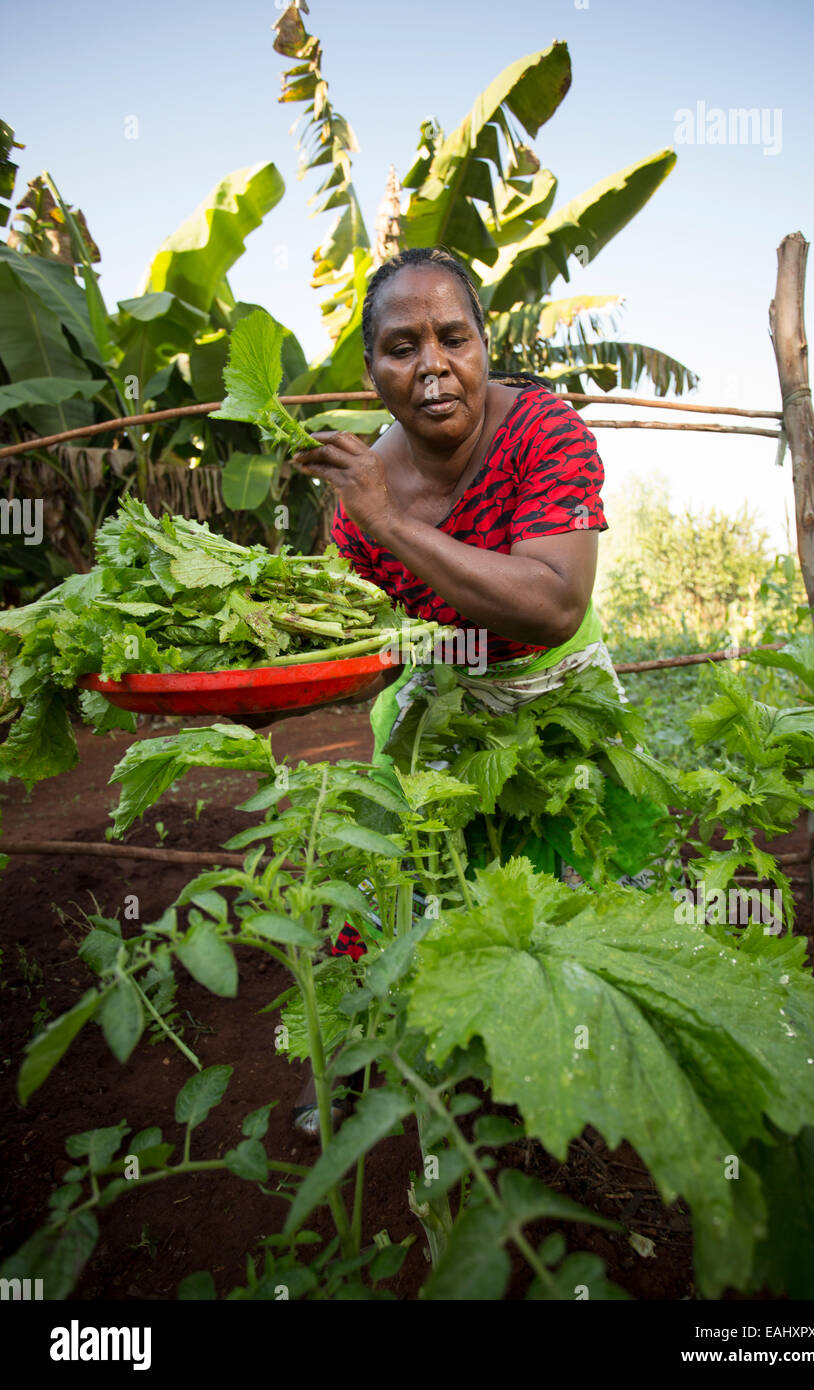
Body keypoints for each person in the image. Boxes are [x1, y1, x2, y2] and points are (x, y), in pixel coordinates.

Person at [280, 246, 671, 1132]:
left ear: (484, 345)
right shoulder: (359, 493)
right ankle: (354, 1039)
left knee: (596, 882)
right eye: (401, 347)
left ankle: (603, 1053)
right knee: (385, 864)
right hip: (440, 697)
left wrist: (387, 521)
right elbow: (356, 635)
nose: (432, 367)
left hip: (558, 685)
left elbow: (554, 604)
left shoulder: (544, 432)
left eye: (453, 338)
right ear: (373, 369)